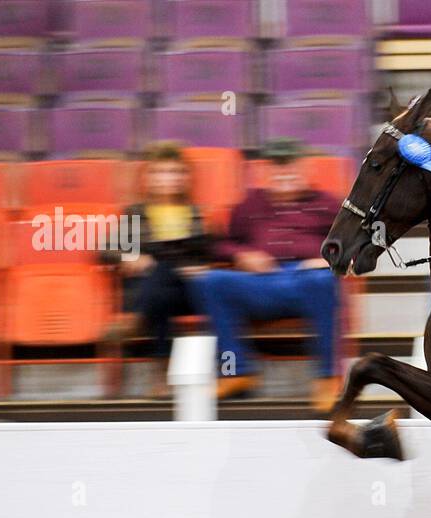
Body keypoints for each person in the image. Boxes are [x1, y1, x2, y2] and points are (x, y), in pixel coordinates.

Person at [193, 138, 342, 409]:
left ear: (306, 169)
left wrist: (328, 258)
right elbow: (222, 244)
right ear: (266, 172)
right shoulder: (250, 204)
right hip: (260, 280)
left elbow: (354, 241)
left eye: (291, 166)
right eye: (277, 167)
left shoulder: (327, 203)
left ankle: (327, 378)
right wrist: (241, 255)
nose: (284, 173)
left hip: (305, 280)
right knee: (211, 281)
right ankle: (236, 372)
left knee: (324, 280)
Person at [103, 141, 214, 399]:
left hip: (187, 292)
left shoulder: (195, 213)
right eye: (161, 172)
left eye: (175, 172)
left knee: (165, 272)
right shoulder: (136, 213)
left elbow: (209, 254)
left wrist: (197, 269)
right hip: (152, 290)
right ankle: (161, 374)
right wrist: (132, 256)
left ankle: (138, 322)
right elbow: (107, 250)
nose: (169, 179)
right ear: (149, 178)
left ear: (185, 178)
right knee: (160, 281)